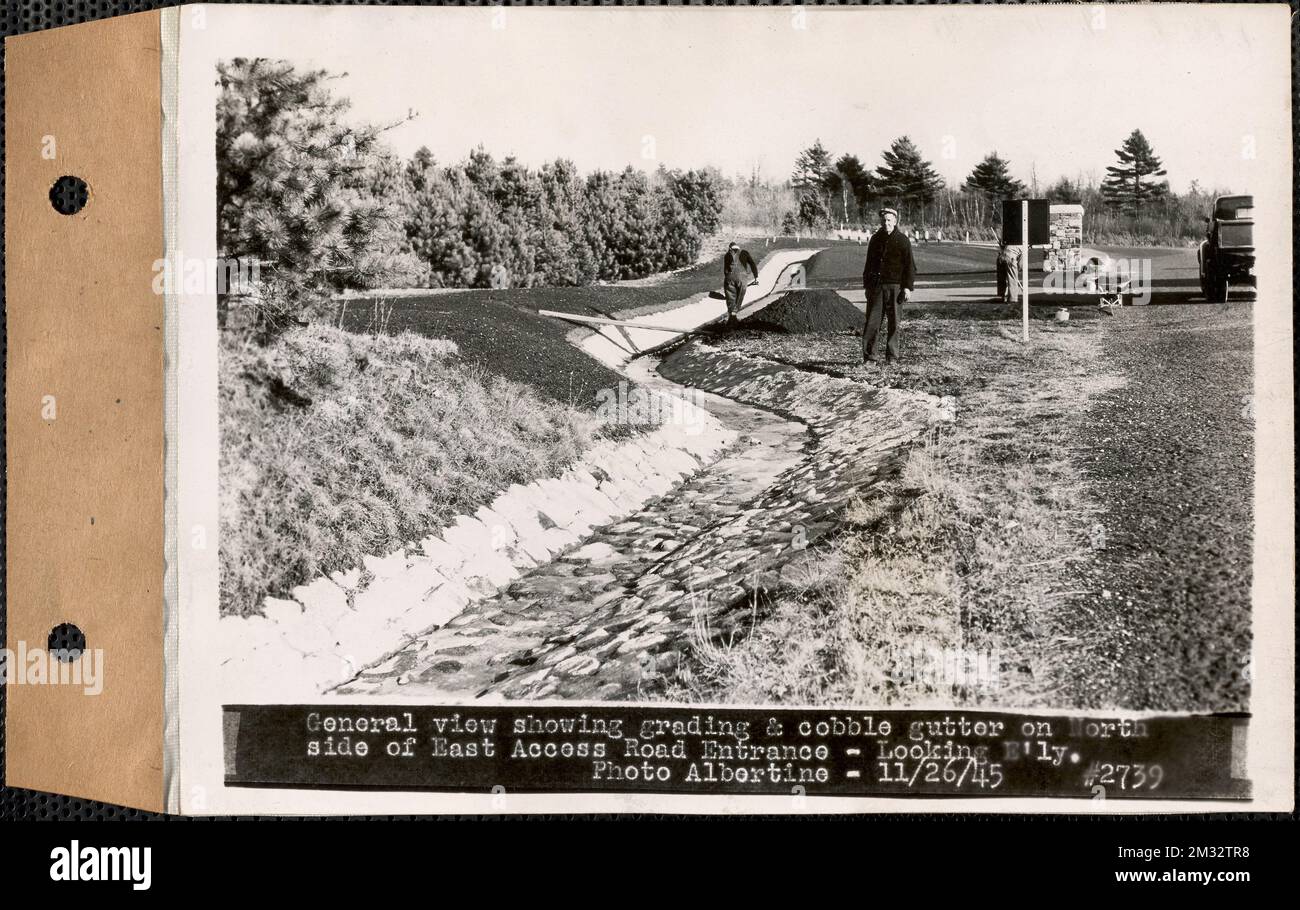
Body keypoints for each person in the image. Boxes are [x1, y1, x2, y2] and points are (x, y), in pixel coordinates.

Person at [861, 208, 916, 364]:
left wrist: (907, 287)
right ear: (881, 221)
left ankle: (892, 356)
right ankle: (870, 357)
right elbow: (869, 265)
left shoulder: (903, 240)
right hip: (877, 288)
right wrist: (867, 286)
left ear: (895, 221)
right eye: (884, 220)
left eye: (889, 220)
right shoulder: (875, 239)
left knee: (894, 323)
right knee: (872, 322)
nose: (886, 223)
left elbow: (910, 266)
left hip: (895, 288)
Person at [723, 241, 759, 326]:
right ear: (738, 247)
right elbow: (752, 264)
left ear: (730, 248)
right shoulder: (744, 253)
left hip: (729, 278)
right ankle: (734, 318)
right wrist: (756, 277)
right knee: (739, 298)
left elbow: (725, 270)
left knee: (730, 299)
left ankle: (731, 320)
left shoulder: (727, 255)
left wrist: (728, 280)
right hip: (742, 279)